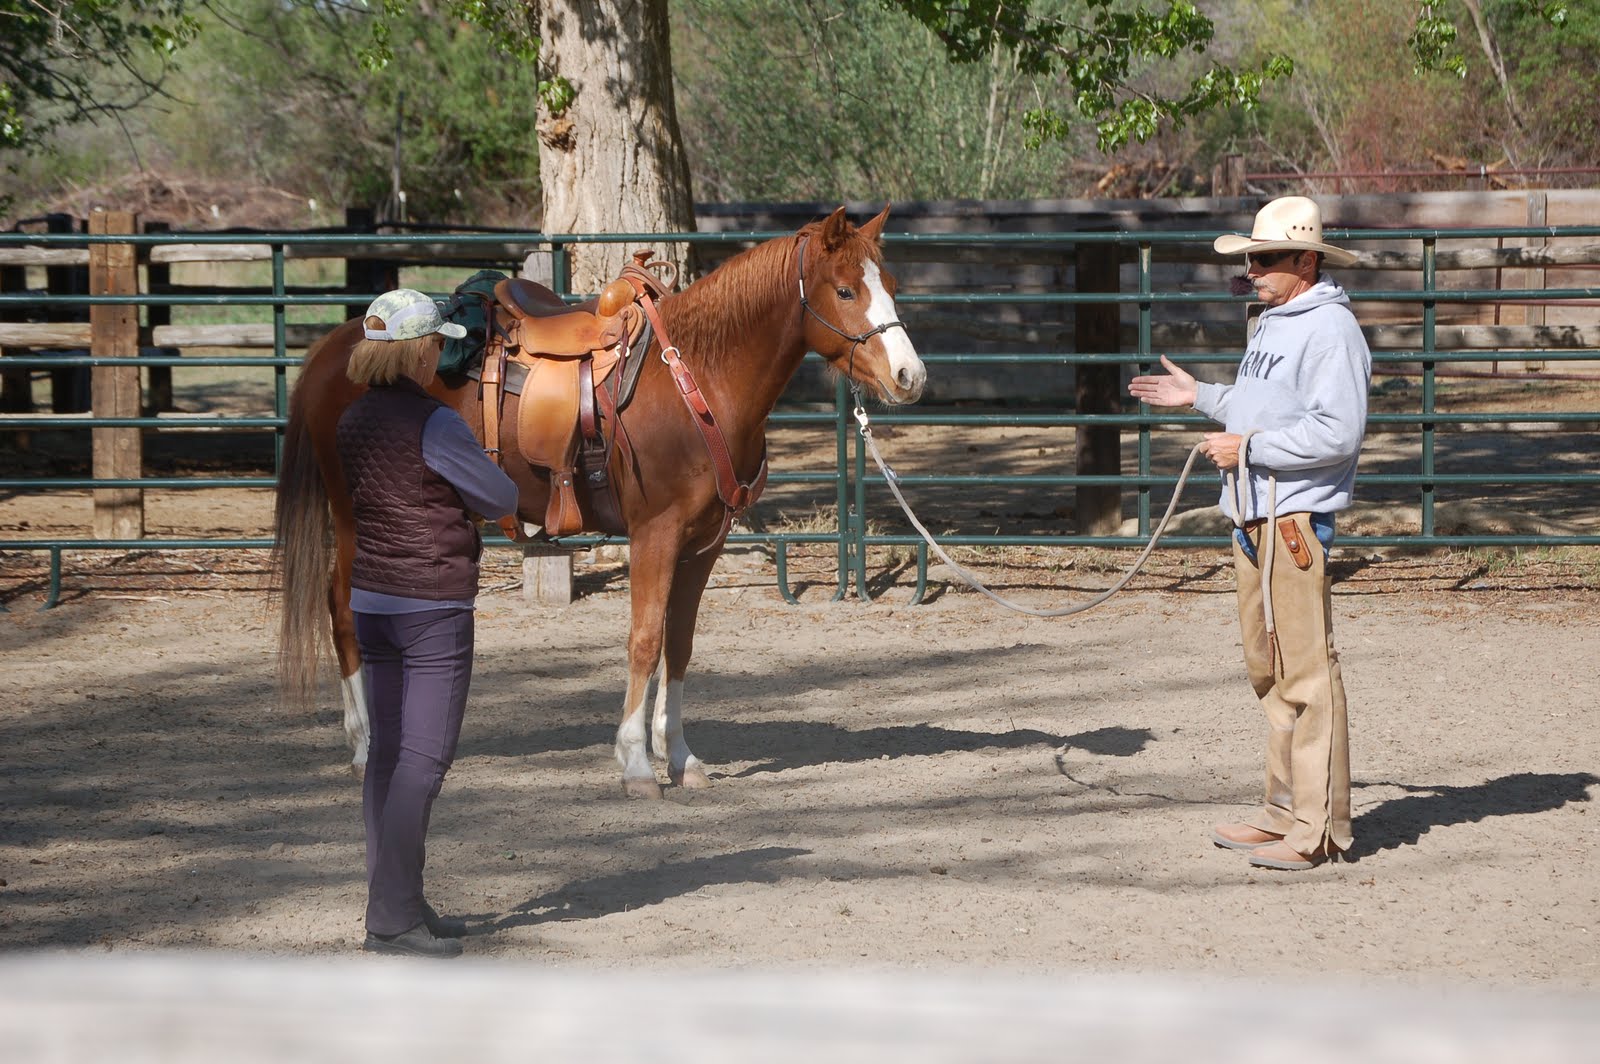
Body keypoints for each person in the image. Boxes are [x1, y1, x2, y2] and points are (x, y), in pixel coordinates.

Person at [1128, 196, 1371, 871]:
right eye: (1248, 258)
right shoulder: (1274, 323)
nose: (1251, 269)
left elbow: (1338, 431)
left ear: (1304, 259)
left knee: (1307, 673)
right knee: (1270, 672)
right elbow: (1261, 406)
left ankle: (1317, 830)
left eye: (1262, 258)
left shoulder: (1331, 331)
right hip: (1252, 514)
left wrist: (1251, 451)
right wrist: (1202, 397)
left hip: (1290, 519)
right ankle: (1283, 811)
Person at [338, 288, 519, 955]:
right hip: (433, 604)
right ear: (420, 351)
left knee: (388, 757)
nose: (444, 353)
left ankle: (398, 901)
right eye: (438, 343)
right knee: (423, 760)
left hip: (372, 601)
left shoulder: (352, 420)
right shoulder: (436, 423)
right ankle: (391, 918)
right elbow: (500, 496)